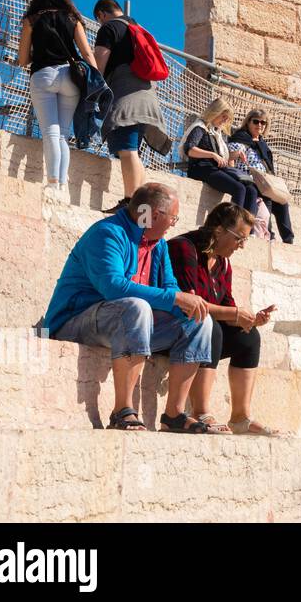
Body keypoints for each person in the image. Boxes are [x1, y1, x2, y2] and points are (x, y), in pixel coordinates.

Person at [40, 182, 214, 432]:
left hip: (124, 325)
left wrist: (186, 302)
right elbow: (114, 287)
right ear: (154, 215)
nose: (173, 226)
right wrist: (175, 299)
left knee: (199, 320)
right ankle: (122, 410)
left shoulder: (159, 244)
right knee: (136, 307)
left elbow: (170, 287)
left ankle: (174, 414)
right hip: (75, 321)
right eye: (173, 219)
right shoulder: (107, 233)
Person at [168, 202, 277, 435]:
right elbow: (190, 304)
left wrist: (249, 320)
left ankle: (241, 416)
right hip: (171, 328)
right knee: (210, 326)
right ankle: (201, 411)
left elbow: (225, 307)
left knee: (248, 338)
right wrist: (235, 314)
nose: (242, 246)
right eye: (239, 238)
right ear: (218, 231)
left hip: (201, 329)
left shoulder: (222, 263)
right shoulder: (184, 249)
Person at [16, 0, 97, 197]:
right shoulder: (73, 18)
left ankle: (52, 183)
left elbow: (23, 60)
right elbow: (87, 53)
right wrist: (97, 80)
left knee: (50, 131)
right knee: (62, 134)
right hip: (70, 77)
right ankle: (61, 184)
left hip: (43, 75)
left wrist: (39, 52)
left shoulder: (31, 20)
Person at [92, 0, 172, 212]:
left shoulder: (109, 28)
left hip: (125, 98)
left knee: (127, 150)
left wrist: (90, 89)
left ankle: (131, 202)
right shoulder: (136, 27)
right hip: (146, 97)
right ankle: (139, 203)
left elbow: (99, 62)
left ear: (101, 14)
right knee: (133, 150)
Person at [181, 98, 258, 214]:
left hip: (216, 168)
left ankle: (248, 229)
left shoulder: (218, 132)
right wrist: (212, 155)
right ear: (214, 112)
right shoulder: (200, 127)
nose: (225, 120)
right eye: (223, 116)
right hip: (201, 168)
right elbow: (190, 150)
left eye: (227, 118)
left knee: (251, 190)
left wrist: (235, 155)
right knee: (239, 188)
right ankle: (233, 225)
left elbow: (222, 157)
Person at [229, 108, 294, 244]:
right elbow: (229, 155)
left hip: (265, 181)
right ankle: (267, 233)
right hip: (250, 179)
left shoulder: (263, 144)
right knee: (267, 201)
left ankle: (288, 239)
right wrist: (237, 154)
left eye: (263, 123)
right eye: (256, 121)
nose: (259, 125)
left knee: (282, 203)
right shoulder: (240, 138)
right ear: (248, 122)